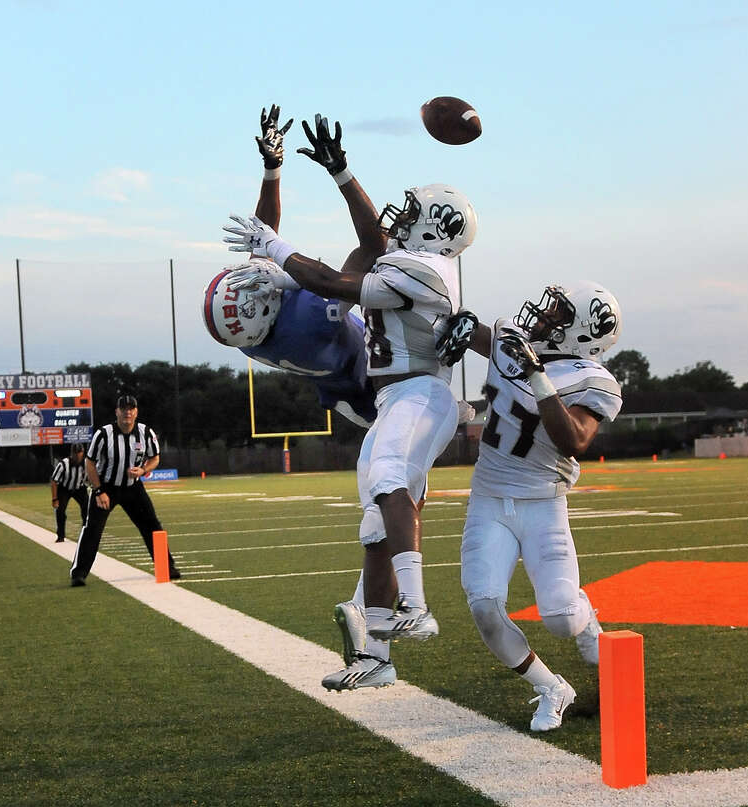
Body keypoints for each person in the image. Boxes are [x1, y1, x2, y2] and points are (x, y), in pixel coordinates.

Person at [225, 127, 477, 684]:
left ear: (437, 228)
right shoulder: (411, 263)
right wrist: (340, 172)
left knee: (388, 480)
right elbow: (365, 243)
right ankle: (376, 656)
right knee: (374, 527)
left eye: (414, 212)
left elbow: (334, 279)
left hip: (418, 393)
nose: (400, 216)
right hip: (390, 399)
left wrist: (274, 246)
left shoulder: (422, 270)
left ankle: (416, 606)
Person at [438, 283, 622, 729]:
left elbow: (574, 440)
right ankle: (551, 687)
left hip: (543, 505)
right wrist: (451, 321)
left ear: (581, 332)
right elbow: (470, 332)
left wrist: (537, 375)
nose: (543, 316)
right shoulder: (514, 341)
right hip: (488, 500)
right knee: (485, 608)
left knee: (561, 618)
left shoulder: (593, 380)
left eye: (558, 313)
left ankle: (586, 615)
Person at [204, 106, 381, 429]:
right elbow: (373, 245)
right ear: (263, 313)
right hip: (372, 388)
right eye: (256, 293)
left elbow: (263, 233)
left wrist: (272, 167)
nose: (253, 280)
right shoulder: (311, 321)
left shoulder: (247, 338)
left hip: (339, 383)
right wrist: (340, 171)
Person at [69, 394, 181, 586]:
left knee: (152, 525)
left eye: (131, 409)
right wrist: (98, 491)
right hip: (106, 487)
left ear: (136, 412)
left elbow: (155, 458)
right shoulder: (103, 434)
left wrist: (143, 470)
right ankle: (78, 573)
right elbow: (90, 463)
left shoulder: (146, 433)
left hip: (132, 487)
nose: (127, 412)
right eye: (123, 409)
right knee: (92, 529)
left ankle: (167, 567)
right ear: (117, 412)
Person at [51, 444, 89, 543]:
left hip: (79, 488)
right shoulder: (63, 464)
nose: (78, 456)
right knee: (60, 511)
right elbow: (54, 481)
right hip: (65, 489)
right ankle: (60, 535)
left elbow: (91, 475)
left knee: (87, 509)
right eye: (76, 454)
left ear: (83, 453)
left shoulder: (86, 463)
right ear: (72, 453)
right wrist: (55, 499)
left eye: (79, 453)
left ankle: (86, 533)